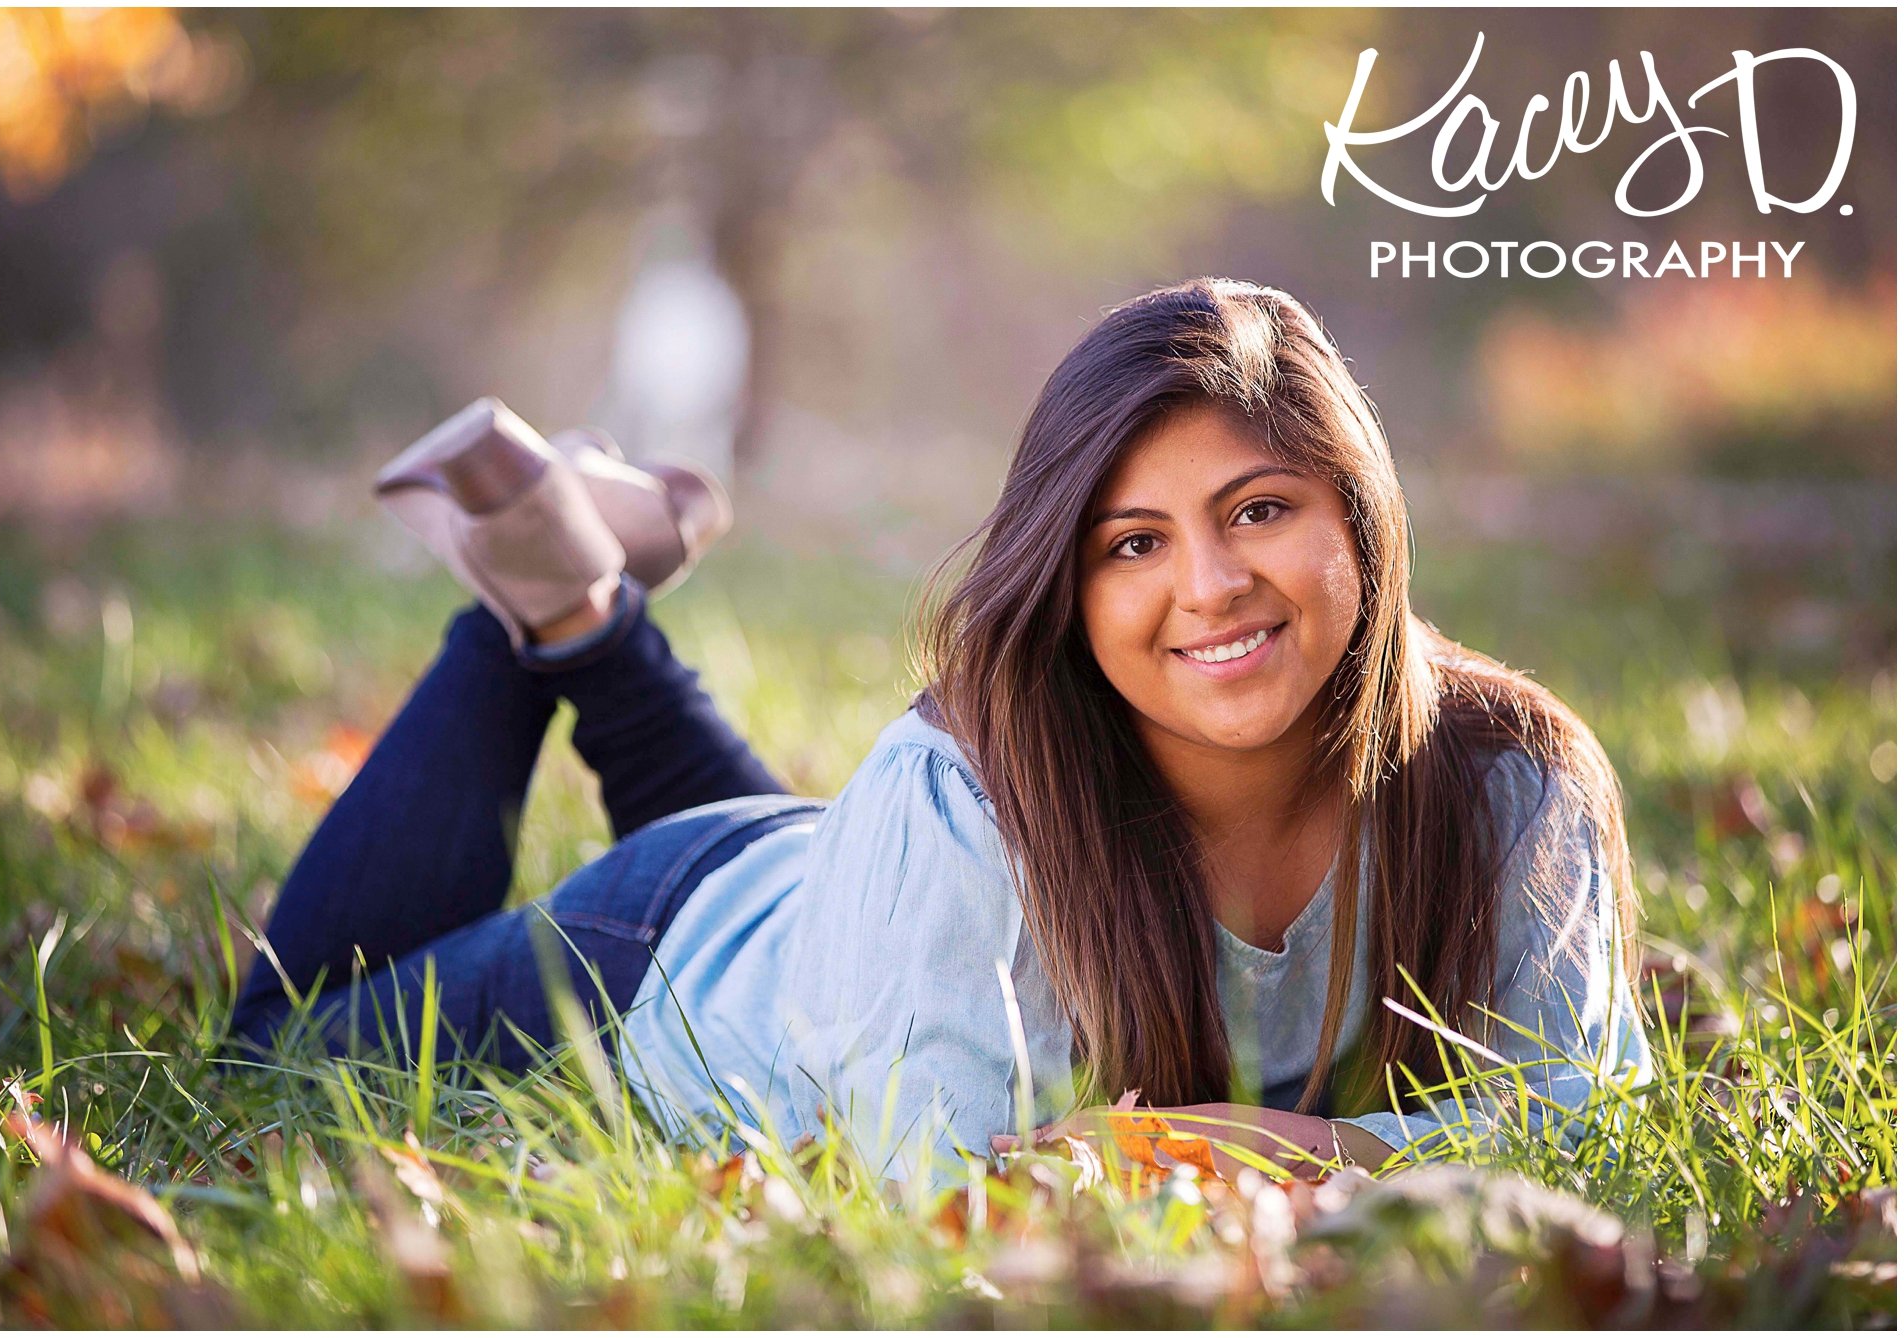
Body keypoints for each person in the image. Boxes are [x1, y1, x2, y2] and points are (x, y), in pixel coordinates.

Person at [228, 279, 1652, 1185]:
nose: (1210, 587)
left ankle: (600, 620)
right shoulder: (957, 804)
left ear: (1362, 516)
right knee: (273, 1050)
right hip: (675, 957)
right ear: (1069, 588)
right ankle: (537, 596)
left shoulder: (1507, 776)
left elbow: (1591, 1125)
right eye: (1132, 543)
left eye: (1259, 510)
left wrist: (1282, 1147)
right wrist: (1396, 1163)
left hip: (853, 904)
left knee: (857, 876)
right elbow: (953, 1189)